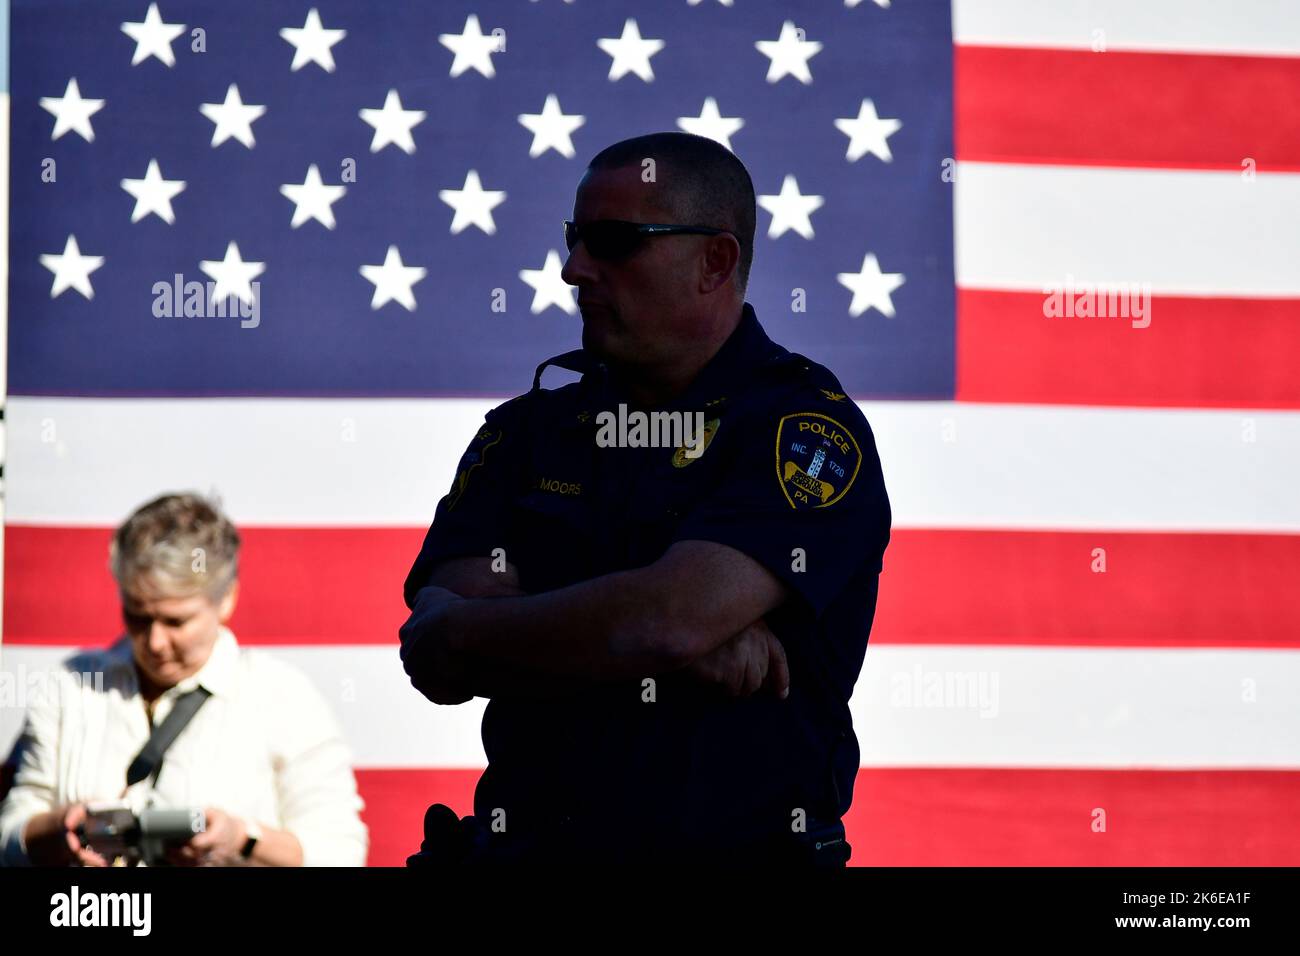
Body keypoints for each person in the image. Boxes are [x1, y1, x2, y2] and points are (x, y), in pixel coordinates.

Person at [400, 131, 891, 866]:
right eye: (574, 239)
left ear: (714, 262)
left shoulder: (802, 430)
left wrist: (502, 626)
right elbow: (435, 658)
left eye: (613, 242)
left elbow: (662, 621)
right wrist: (663, 639)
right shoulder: (529, 430)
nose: (574, 270)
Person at [0, 493, 369, 866]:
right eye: (138, 617)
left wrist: (243, 839)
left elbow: (340, 853)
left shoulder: (284, 697)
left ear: (226, 599)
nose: (156, 643)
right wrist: (58, 832)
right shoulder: (72, 684)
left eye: (176, 621)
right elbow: (9, 834)